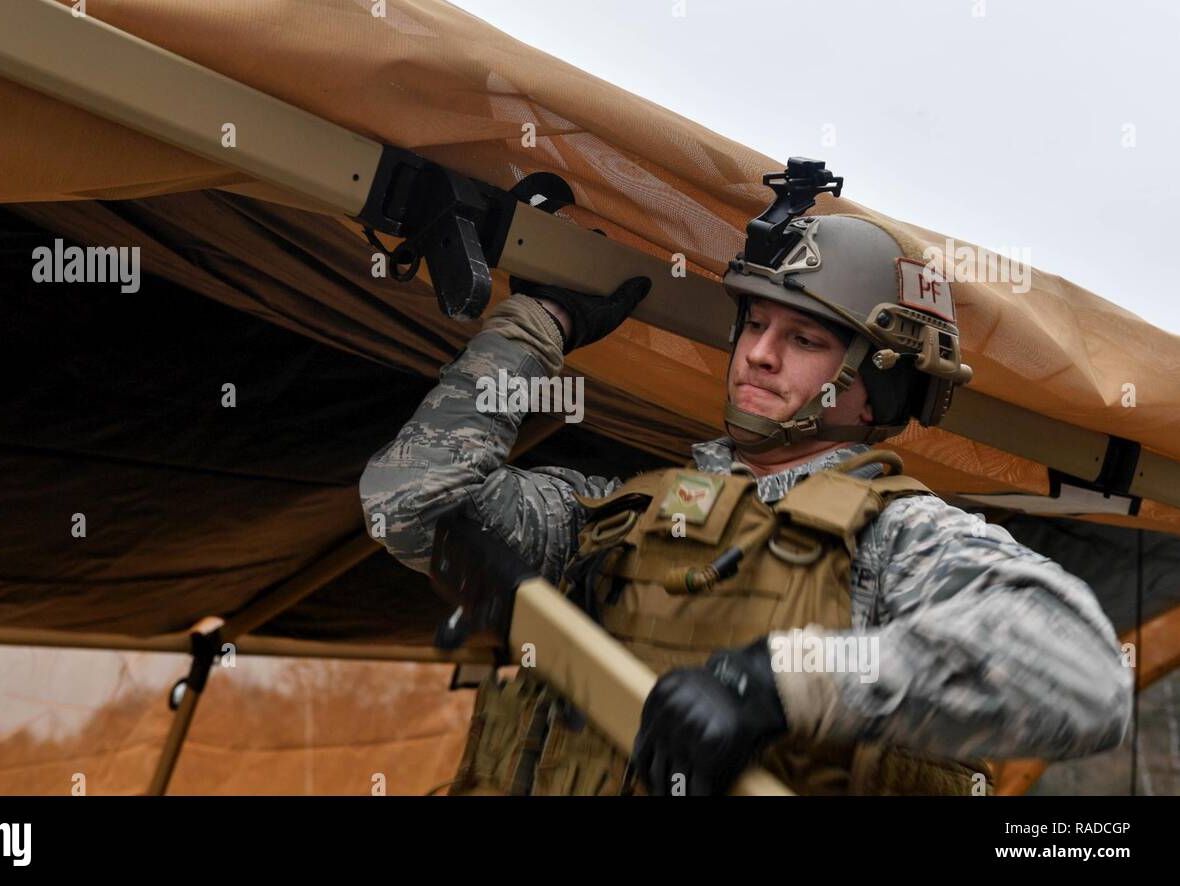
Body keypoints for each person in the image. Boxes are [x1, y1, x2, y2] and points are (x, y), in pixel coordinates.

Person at [359, 179, 1132, 795]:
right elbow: (411, 500)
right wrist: (536, 321)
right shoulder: (613, 518)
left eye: (803, 340)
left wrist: (773, 685)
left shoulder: (896, 539)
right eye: (754, 324)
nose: (758, 355)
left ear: (880, 389)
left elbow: (1086, 681)